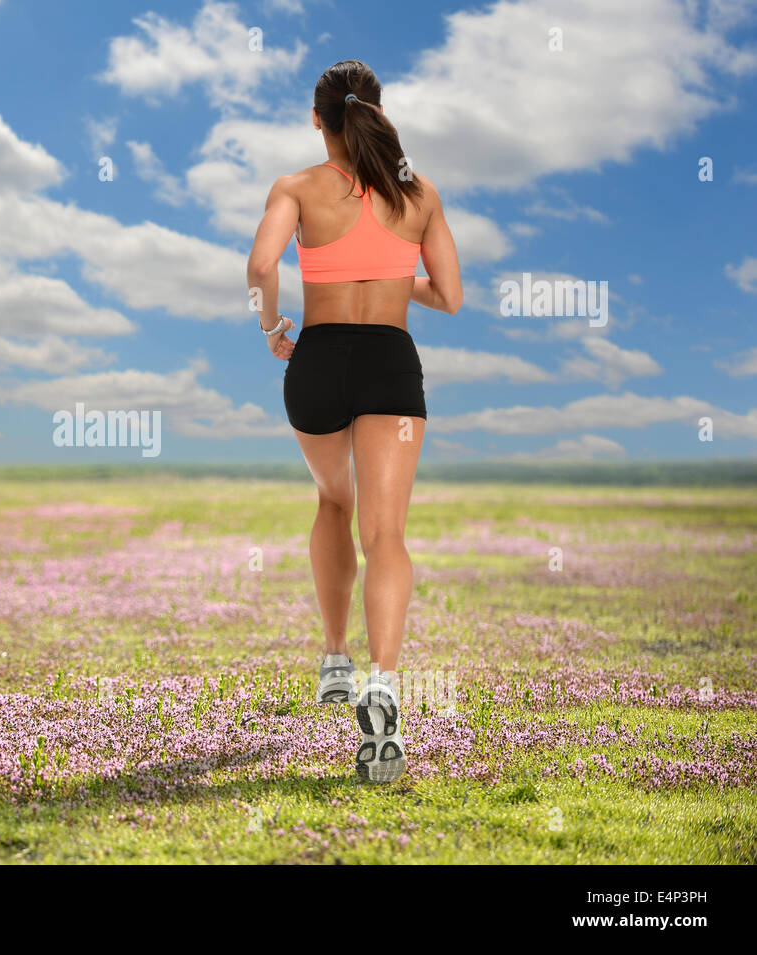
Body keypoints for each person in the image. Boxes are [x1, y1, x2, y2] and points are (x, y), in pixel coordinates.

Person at [245, 59, 462, 782]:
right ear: (374, 110)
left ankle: (334, 656)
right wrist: (397, 277)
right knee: (386, 533)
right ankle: (383, 690)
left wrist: (274, 325)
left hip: (318, 359)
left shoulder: (298, 187)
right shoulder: (419, 194)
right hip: (391, 366)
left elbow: (259, 264)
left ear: (318, 119)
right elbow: (452, 296)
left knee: (333, 499)